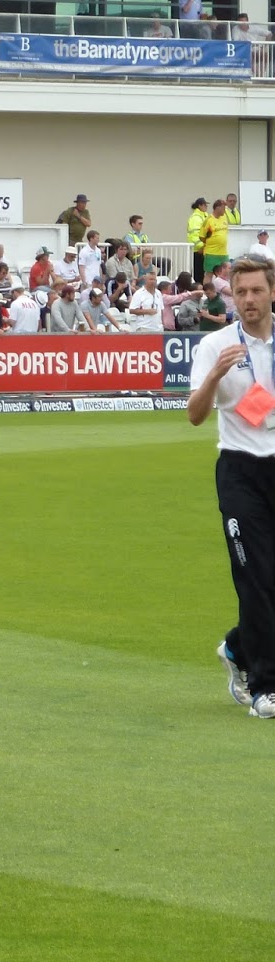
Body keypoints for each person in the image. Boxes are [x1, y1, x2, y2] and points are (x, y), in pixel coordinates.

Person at [188, 257, 275, 717]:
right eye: (240, 293)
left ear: (271, 292)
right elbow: (195, 414)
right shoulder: (216, 345)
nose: (248, 300)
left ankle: (238, 648)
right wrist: (216, 375)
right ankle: (265, 687)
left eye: (257, 291)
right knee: (256, 578)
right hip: (241, 470)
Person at [188, 197, 211, 281]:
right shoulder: (196, 218)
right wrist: (201, 246)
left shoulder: (204, 216)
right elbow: (195, 234)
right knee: (198, 275)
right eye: (205, 205)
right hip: (198, 250)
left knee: (203, 273)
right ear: (200, 206)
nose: (206, 207)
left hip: (205, 249)